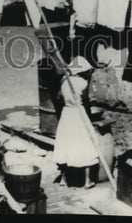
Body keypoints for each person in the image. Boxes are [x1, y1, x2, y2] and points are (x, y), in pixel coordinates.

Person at [52, 55, 98, 189]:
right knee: (86, 145)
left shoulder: (64, 82)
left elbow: (58, 98)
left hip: (67, 114)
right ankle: (88, 181)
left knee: (66, 145)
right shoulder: (83, 83)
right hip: (79, 114)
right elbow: (86, 100)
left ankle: (64, 179)